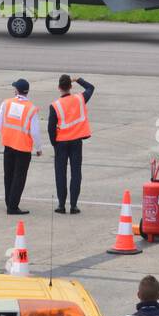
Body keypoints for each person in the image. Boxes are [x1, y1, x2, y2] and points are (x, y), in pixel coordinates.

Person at [48, 74, 94, 215]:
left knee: (60, 174)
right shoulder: (80, 99)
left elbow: (50, 128)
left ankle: (61, 205)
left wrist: (54, 144)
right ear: (71, 86)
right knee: (76, 173)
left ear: (59, 88)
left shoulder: (55, 105)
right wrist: (79, 79)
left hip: (61, 143)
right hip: (76, 142)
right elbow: (90, 88)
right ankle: (74, 206)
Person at [0, 78, 42, 215]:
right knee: (19, 177)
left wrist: (6, 135)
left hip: (8, 144)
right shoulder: (32, 109)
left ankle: (9, 201)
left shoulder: (6, 103)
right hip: (23, 147)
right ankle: (13, 206)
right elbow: (35, 131)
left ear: (16, 90)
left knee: (8, 175)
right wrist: (38, 148)